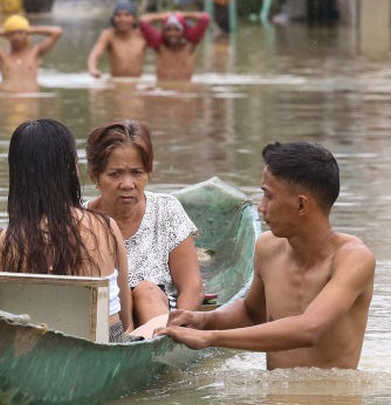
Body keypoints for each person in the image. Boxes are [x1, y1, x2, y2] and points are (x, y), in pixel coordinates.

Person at [158, 141, 375, 369]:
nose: (261, 207)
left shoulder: (353, 259)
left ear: (301, 205)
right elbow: (252, 313)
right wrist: (203, 320)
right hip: (275, 389)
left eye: (268, 196)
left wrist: (211, 338)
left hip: (331, 392)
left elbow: (310, 329)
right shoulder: (267, 247)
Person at [0, 119, 134, 340]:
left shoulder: (2, 243)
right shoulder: (106, 227)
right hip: (104, 343)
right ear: (70, 169)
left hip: (30, 348)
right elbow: (126, 319)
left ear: (17, 175)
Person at [85, 120, 204, 329]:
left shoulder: (166, 210)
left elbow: (192, 286)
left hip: (161, 317)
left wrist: (178, 328)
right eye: (115, 174)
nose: (127, 184)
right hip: (106, 321)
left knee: (146, 291)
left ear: (148, 173)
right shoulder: (80, 220)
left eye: (137, 173)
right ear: (94, 176)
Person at [0, 15, 62, 93]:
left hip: (30, 98)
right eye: (12, 34)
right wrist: (5, 31)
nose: (16, 37)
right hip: (8, 97)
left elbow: (57, 32)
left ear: (27, 34)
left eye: (20, 33)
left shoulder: (35, 53)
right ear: (6, 36)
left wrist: (29, 30)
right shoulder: (1, 56)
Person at [139, 11, 210, 83]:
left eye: (177, 30)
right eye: (168, 30)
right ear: (163, 32)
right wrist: (162, 16)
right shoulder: (159, 48)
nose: (172, 33)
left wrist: (185, 15)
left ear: (184, 32)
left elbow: (205, 19)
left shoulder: (190, 47)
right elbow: (143, 20)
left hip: (185, 89)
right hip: (162, 89)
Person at [87, 0, 148, 79]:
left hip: (137, 82)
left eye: (127, 15)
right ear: (113, 19)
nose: (122, 19)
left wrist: (162, 16)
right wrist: (92, 69)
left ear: (134, 19)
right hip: (116, 81)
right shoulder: (109, 35)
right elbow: (95, 55)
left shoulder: (143, 35)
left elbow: (161, 48)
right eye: (118, 15)